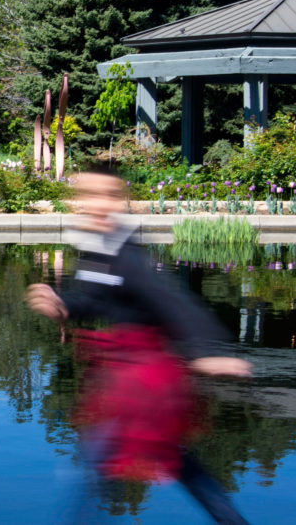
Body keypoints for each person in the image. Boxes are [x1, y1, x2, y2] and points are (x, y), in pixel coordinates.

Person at [26, 167, 252, 524]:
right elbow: (96, 299)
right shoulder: (97, 250)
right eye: (91, 195)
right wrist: (62, 304)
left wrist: (205, 353)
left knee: (110, 462)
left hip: (146, 381)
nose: (99, 204)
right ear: (78, 201)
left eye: (109, 196)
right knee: (167, 463)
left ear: (120, 202)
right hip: (124, 377)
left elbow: (171, 301)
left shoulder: (127, 256)